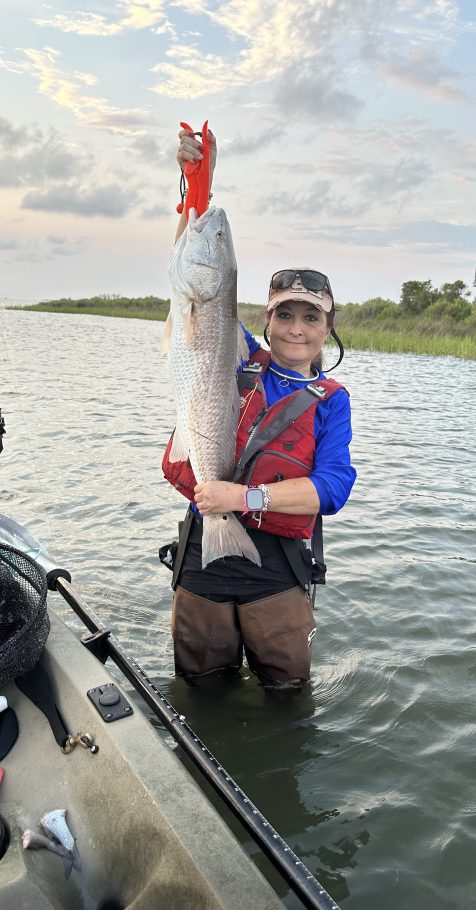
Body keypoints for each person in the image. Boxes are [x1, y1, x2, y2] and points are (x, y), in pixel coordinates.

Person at [162, 126, 356, 691]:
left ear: (327, 328)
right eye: (285, 315)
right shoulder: (240, 354)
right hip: (204, 553)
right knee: (200, 688)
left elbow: (334, 488)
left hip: (277, 567)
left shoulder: (332, 404)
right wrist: (198, 190)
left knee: (286, 696)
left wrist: (244, 497)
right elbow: (194, 291)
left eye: (310, 317)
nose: (296, 329)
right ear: (267, 322)